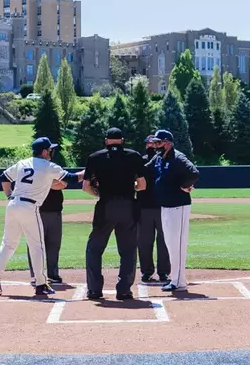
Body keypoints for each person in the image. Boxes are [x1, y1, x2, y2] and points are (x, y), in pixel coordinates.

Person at [0, 137, 67, 296]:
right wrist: (87, 172)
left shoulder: (23, 162)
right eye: (50, 150)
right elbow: (70, 179)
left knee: (8, 244)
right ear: (44, 151)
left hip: (13, 206)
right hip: (29, 207)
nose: (51, 152)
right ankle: (40, 283)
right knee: (37, 245)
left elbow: (3, 177)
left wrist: (9, 195)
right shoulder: (48, 166)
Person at [82, 127, 146, 301]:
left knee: (94, 249)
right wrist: (129, 188)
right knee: (128, 250)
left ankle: (95, 290)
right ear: (122, 140)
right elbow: (142, 185)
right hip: (128, 206)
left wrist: (98, 193)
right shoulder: (134, 156)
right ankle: (124, 290)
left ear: (106, 140)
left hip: (105, 206)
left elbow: (86, 186)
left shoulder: (95, 157)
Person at [148, 129, 199, 293]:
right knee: (171, 243)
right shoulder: (158, 158)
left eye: (158, 142)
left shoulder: (178, 157)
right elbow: (144, 170)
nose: (155, 145)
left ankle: (179, 281)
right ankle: (177, 279)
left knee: (177, 244)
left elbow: (193, 172)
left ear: (168, 143)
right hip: (166, 206)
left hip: (179, 206)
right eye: (154, 142)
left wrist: (185, 186)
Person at [136, 134, 171, 283]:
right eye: (150, 142)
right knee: (148, 241)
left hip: (158, 205)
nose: (152, 145)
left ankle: (158, 272)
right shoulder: (144, 161)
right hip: (148, 205)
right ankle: (151, 272)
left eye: (154, 142)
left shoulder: (162, 160)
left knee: (159, 241)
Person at [26, 166, 68, 286]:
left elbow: (63, 183)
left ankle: (52, 274)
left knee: (54, 244)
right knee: (35, 243)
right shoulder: (33, 168)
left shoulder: (54, 168)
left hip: (55, 210)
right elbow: (58, 184)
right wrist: (52, 181)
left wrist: (47, 182)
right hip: (37, 210)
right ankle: (36, 274)